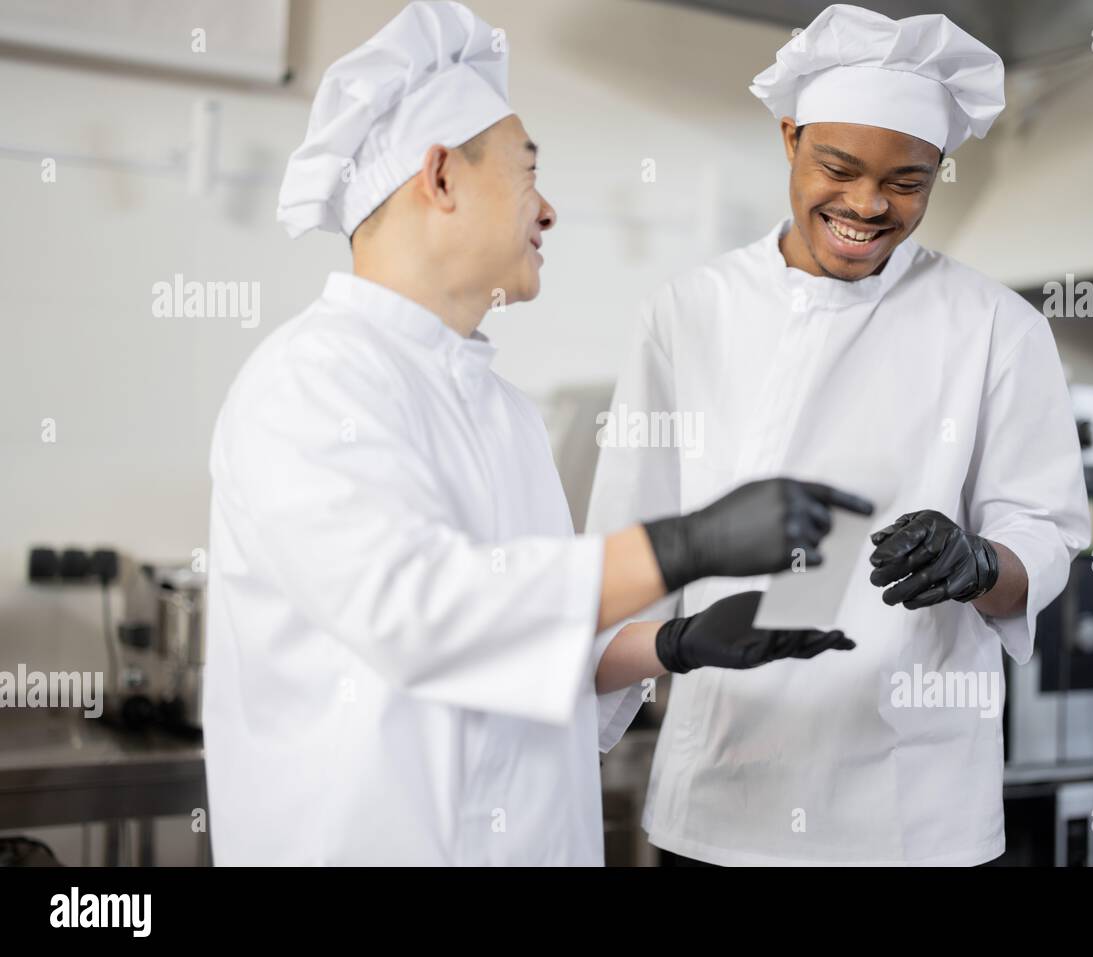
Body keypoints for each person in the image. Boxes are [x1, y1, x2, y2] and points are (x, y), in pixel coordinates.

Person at [202, 1, 869, 866]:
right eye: (527, 172)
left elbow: (525, 644)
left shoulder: (505, 413)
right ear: (440, 177)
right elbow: (424, 614)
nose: (548, 211)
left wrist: (674, 643)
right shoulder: (309, 380)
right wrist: (685, 544)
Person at [587, 5, 1092, 866]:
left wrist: (980, 562)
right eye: (839, 167)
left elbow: (1043, 539)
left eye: (907, 180)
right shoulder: (689, 312)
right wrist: (660, 651)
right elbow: (625, 551)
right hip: (721, 788)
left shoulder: (997, 328)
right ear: (790, 137)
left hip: (914, 808)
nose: (867, 204)